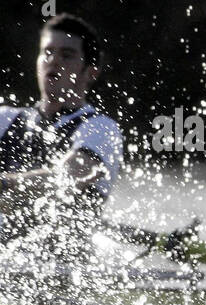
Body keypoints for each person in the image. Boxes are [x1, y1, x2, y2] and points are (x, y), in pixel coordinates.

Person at [0, 14, 122, 263]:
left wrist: (5, 185)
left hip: (65, 274)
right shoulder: (4, 119)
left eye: (66, 55)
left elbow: (70, 175)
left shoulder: (100, 128)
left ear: (90, 72)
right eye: (47, 52)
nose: (53, 61)